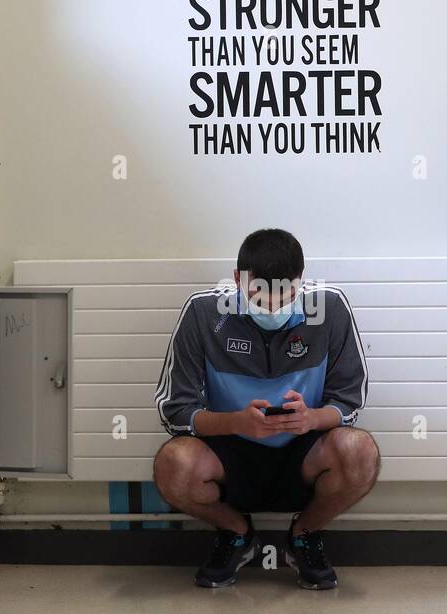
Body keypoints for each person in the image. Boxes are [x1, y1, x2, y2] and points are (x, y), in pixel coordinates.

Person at [152, 228, 378, 590]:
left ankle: (304, 535)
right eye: (260, 295)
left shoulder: (330, 308)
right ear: (238, 279)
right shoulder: (203, 312)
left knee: (360, 450)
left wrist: (312, 418)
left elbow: (349, 399)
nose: (272, 306)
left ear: (300, 282)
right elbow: (174, 409)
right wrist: (236, 423)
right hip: (230, 452)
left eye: (285, 295)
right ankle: (236, 534)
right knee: (173, 462)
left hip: (303, 454)